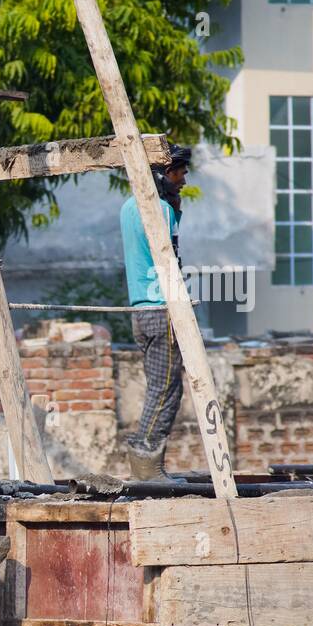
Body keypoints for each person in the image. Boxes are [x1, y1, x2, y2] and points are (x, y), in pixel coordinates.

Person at [121, 143, 192, 481]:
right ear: (165, 173)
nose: (184, 178)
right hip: (161, 307)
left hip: (141, 309)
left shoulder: (127, 208)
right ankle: (147, 465)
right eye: (180, 171)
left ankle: (147, 464)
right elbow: (169, 261)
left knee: (157, 386)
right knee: (166, 388)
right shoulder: (158, 209)